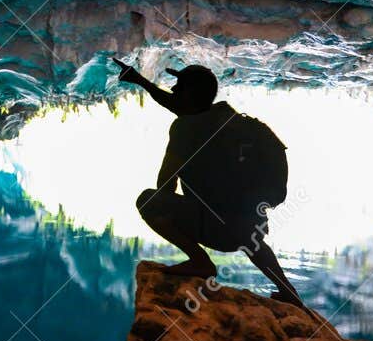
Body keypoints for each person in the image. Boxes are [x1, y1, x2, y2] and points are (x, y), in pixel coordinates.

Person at [114, 60, 305, 307]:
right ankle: (289, 291)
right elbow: (182, 106)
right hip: (250, 229)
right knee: (246, 230)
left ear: (190, 96)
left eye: (179, 87)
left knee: (149, 201)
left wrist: (181, 166)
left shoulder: (184, 128)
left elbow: (165, 187)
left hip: (214, 229)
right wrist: (141, 81)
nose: (173, 91)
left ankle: (199, 261)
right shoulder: (236, 122)